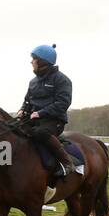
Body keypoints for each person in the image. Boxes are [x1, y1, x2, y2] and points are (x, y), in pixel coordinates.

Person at [16, 43, 76, 183]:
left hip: (54, 121)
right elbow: (27, 102)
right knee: (13, 130)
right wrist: (22, 110)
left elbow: (63, 103)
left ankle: (67, 163)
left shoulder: (62, 80)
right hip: (34, 120)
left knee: (40, 133)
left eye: (34, 59)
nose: (31, 61)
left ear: (42, 61)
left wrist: (41, 113)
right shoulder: (33, 82)